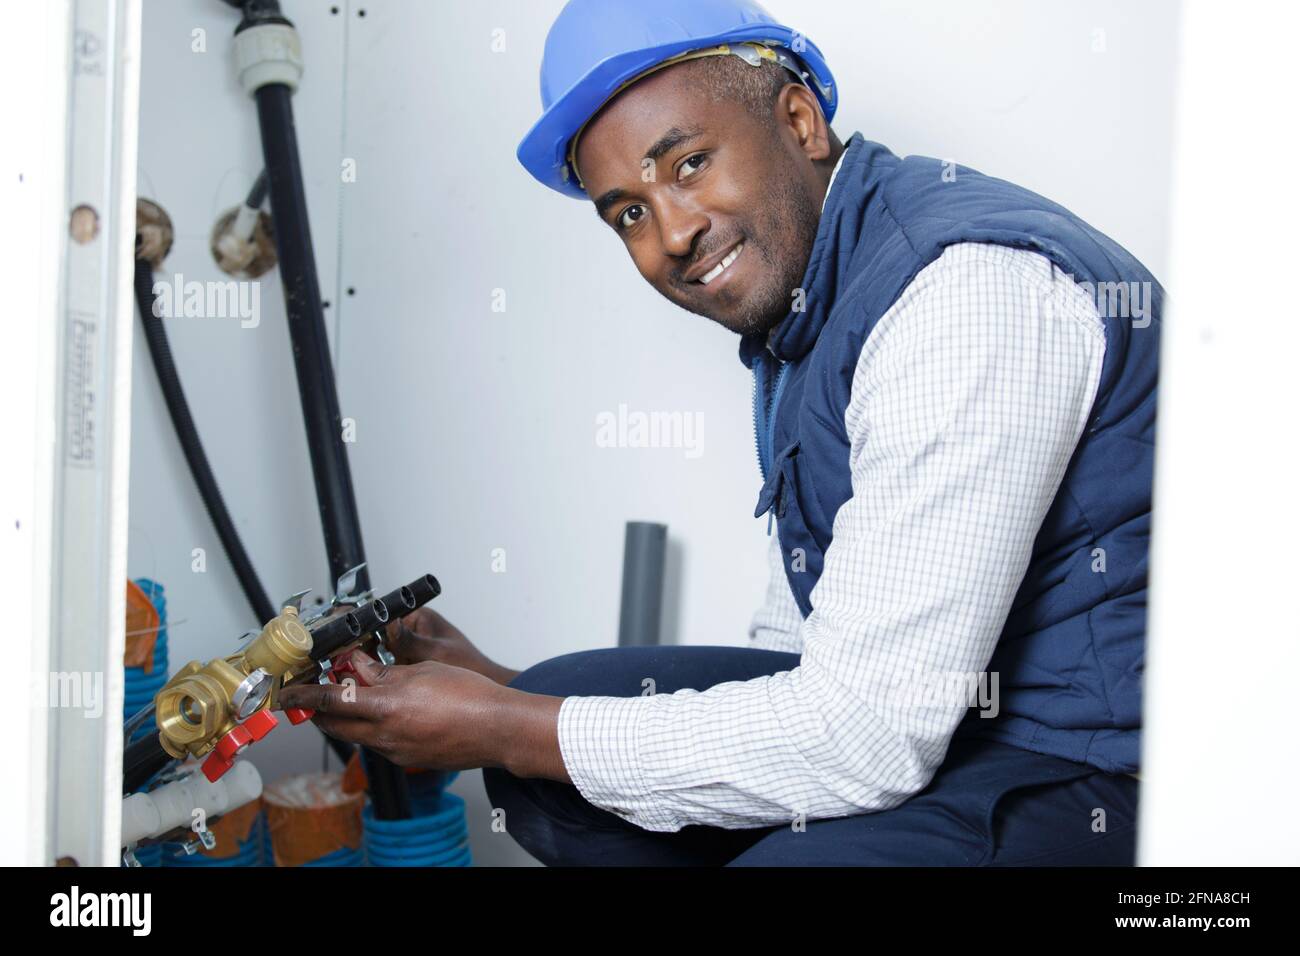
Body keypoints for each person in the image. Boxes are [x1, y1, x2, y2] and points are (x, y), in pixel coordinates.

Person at [279, 0, 1159, 866]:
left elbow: (864, 736)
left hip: (1099, 774)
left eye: (690, 162)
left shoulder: (961, 295)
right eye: (627, 211)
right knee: (554, 757)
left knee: (552, 747)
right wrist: (501, 696)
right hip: (957, 728)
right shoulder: (808, 315)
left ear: (800, 120)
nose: (673, 233)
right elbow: (805, 662)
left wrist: (501, 727)